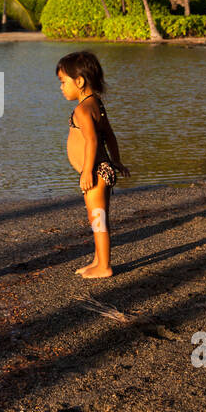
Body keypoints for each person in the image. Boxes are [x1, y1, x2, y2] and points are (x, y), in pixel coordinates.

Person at [57, 51, 129, 278]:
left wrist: (87, 171)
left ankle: (104, 266)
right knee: (98, 218)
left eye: (63, 82)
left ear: (79, 81)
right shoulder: (96, 103)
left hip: (95, 172)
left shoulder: (82, 109)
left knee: (98, 220)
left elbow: (92, 140)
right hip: (103, 168)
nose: (61, 87)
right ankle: (99, 260)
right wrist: (116, 160)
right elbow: (110, 135)